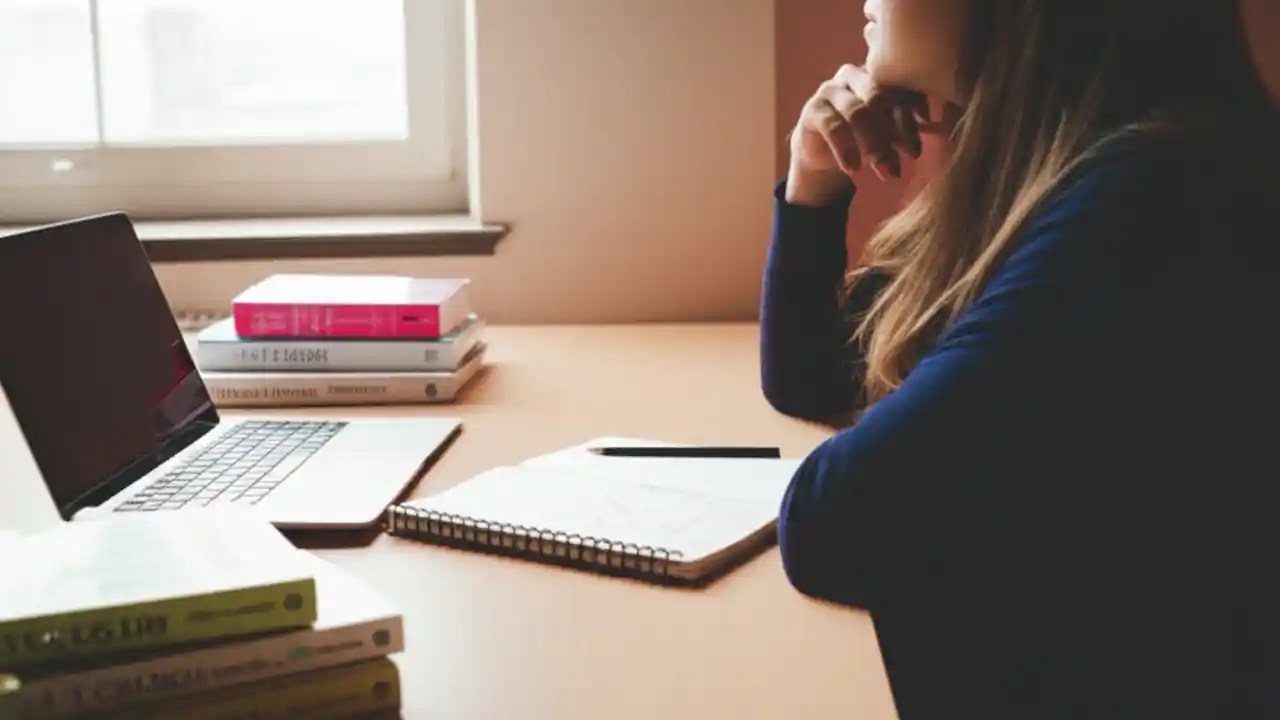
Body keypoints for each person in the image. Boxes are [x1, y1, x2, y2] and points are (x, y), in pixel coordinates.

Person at [761, 0, 1277, 717]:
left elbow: (835, 523)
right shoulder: (1069, 165)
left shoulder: (1149, 196)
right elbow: (817, 376)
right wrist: (814, 172)